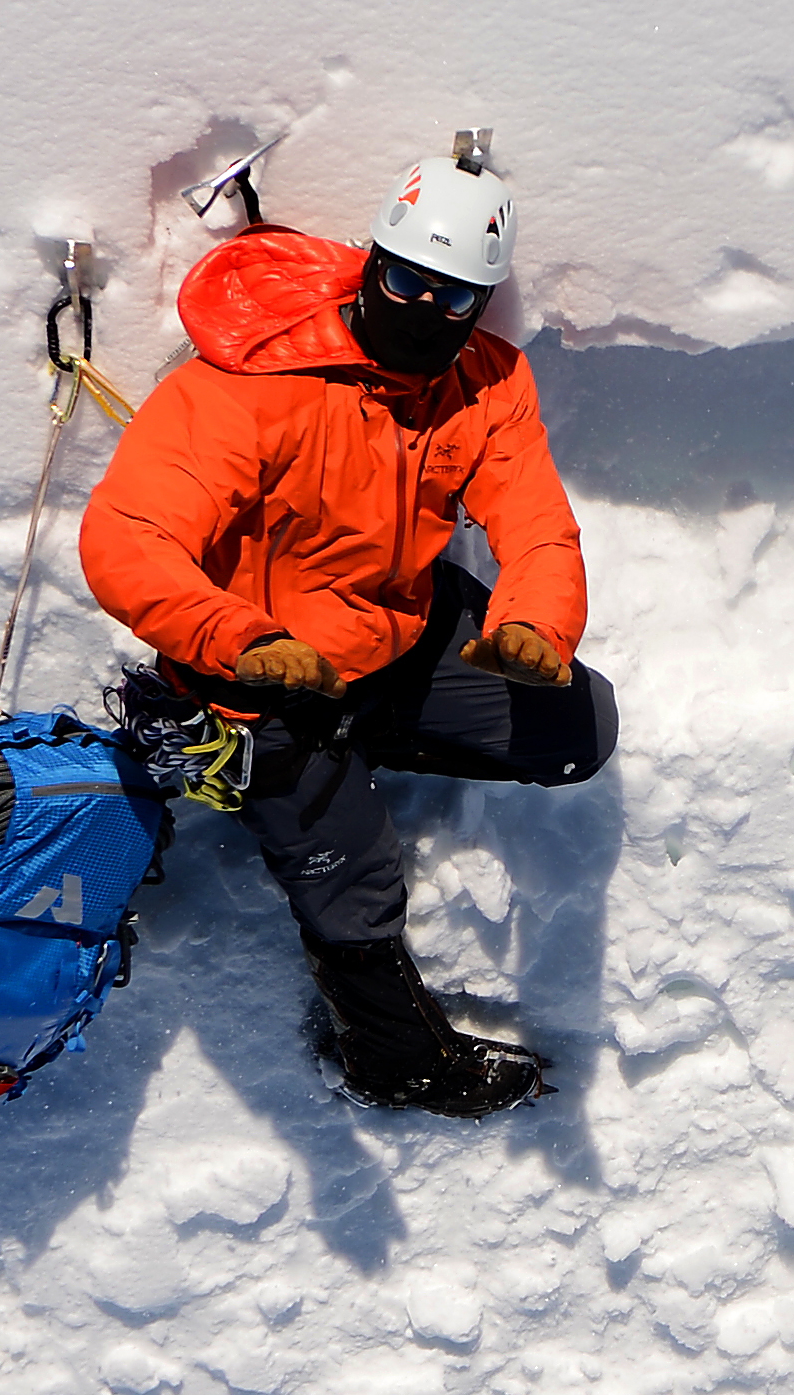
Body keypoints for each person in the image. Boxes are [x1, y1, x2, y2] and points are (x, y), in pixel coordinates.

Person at [80, 142, 618, 1117]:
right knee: (354, 892)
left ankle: (347, 750)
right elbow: (128, 537)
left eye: (454, 297)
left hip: (396, 634)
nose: (424, 308)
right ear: (374, 262)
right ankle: (390, 1061)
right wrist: (241, 641)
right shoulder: (251, 381)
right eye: (406, 280)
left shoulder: (488, 381)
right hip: (260, 677)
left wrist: (534, 623)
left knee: (576, 729)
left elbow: (536, 523)